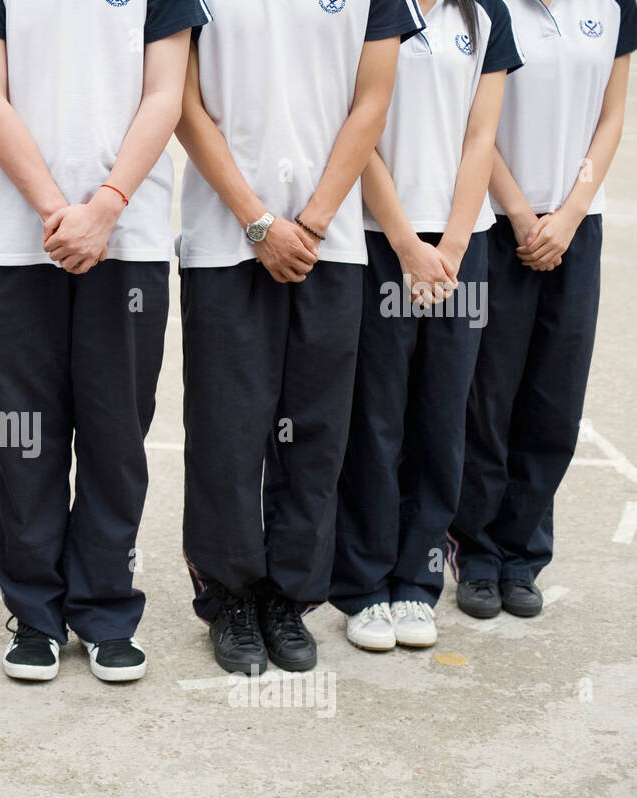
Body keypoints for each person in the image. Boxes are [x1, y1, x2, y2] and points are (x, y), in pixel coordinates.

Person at [0, 0, 208, 683]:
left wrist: (107, 205)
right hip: (17, 237)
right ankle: (35, 614)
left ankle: (106, 609)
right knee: (27, 435)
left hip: (130, 237)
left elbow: (163, 94)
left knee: (116, 435)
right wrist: (58, 210)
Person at [176, 0, 425, 675]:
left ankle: (288, 596)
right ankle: (230, 596)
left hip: (330, 245)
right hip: (225, 242)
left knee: (314, 433)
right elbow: (184, 102)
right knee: (227, 430)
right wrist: (257, 221)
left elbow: (371, 102)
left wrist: (311, 223)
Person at [332, 0, 522, 652]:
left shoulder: (486, 17)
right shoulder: (377, 11)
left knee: (442, 421)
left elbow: (480, 138)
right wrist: (409, 244)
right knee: (377, 420)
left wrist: (454, 247)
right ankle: (362, 585)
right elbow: (360, 128)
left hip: (462, 250)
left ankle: (418, 581)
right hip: (382, 239)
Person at [451, 0, 636, 620]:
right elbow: (475, 121)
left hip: (576, 229)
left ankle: (522, 554)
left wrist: (570, 215)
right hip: (500, 224)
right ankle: (474, 553)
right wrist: (526, 215)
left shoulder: (614, 7)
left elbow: (610, 119)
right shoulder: (486, 7)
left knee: (555, 402)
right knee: (489, 400)